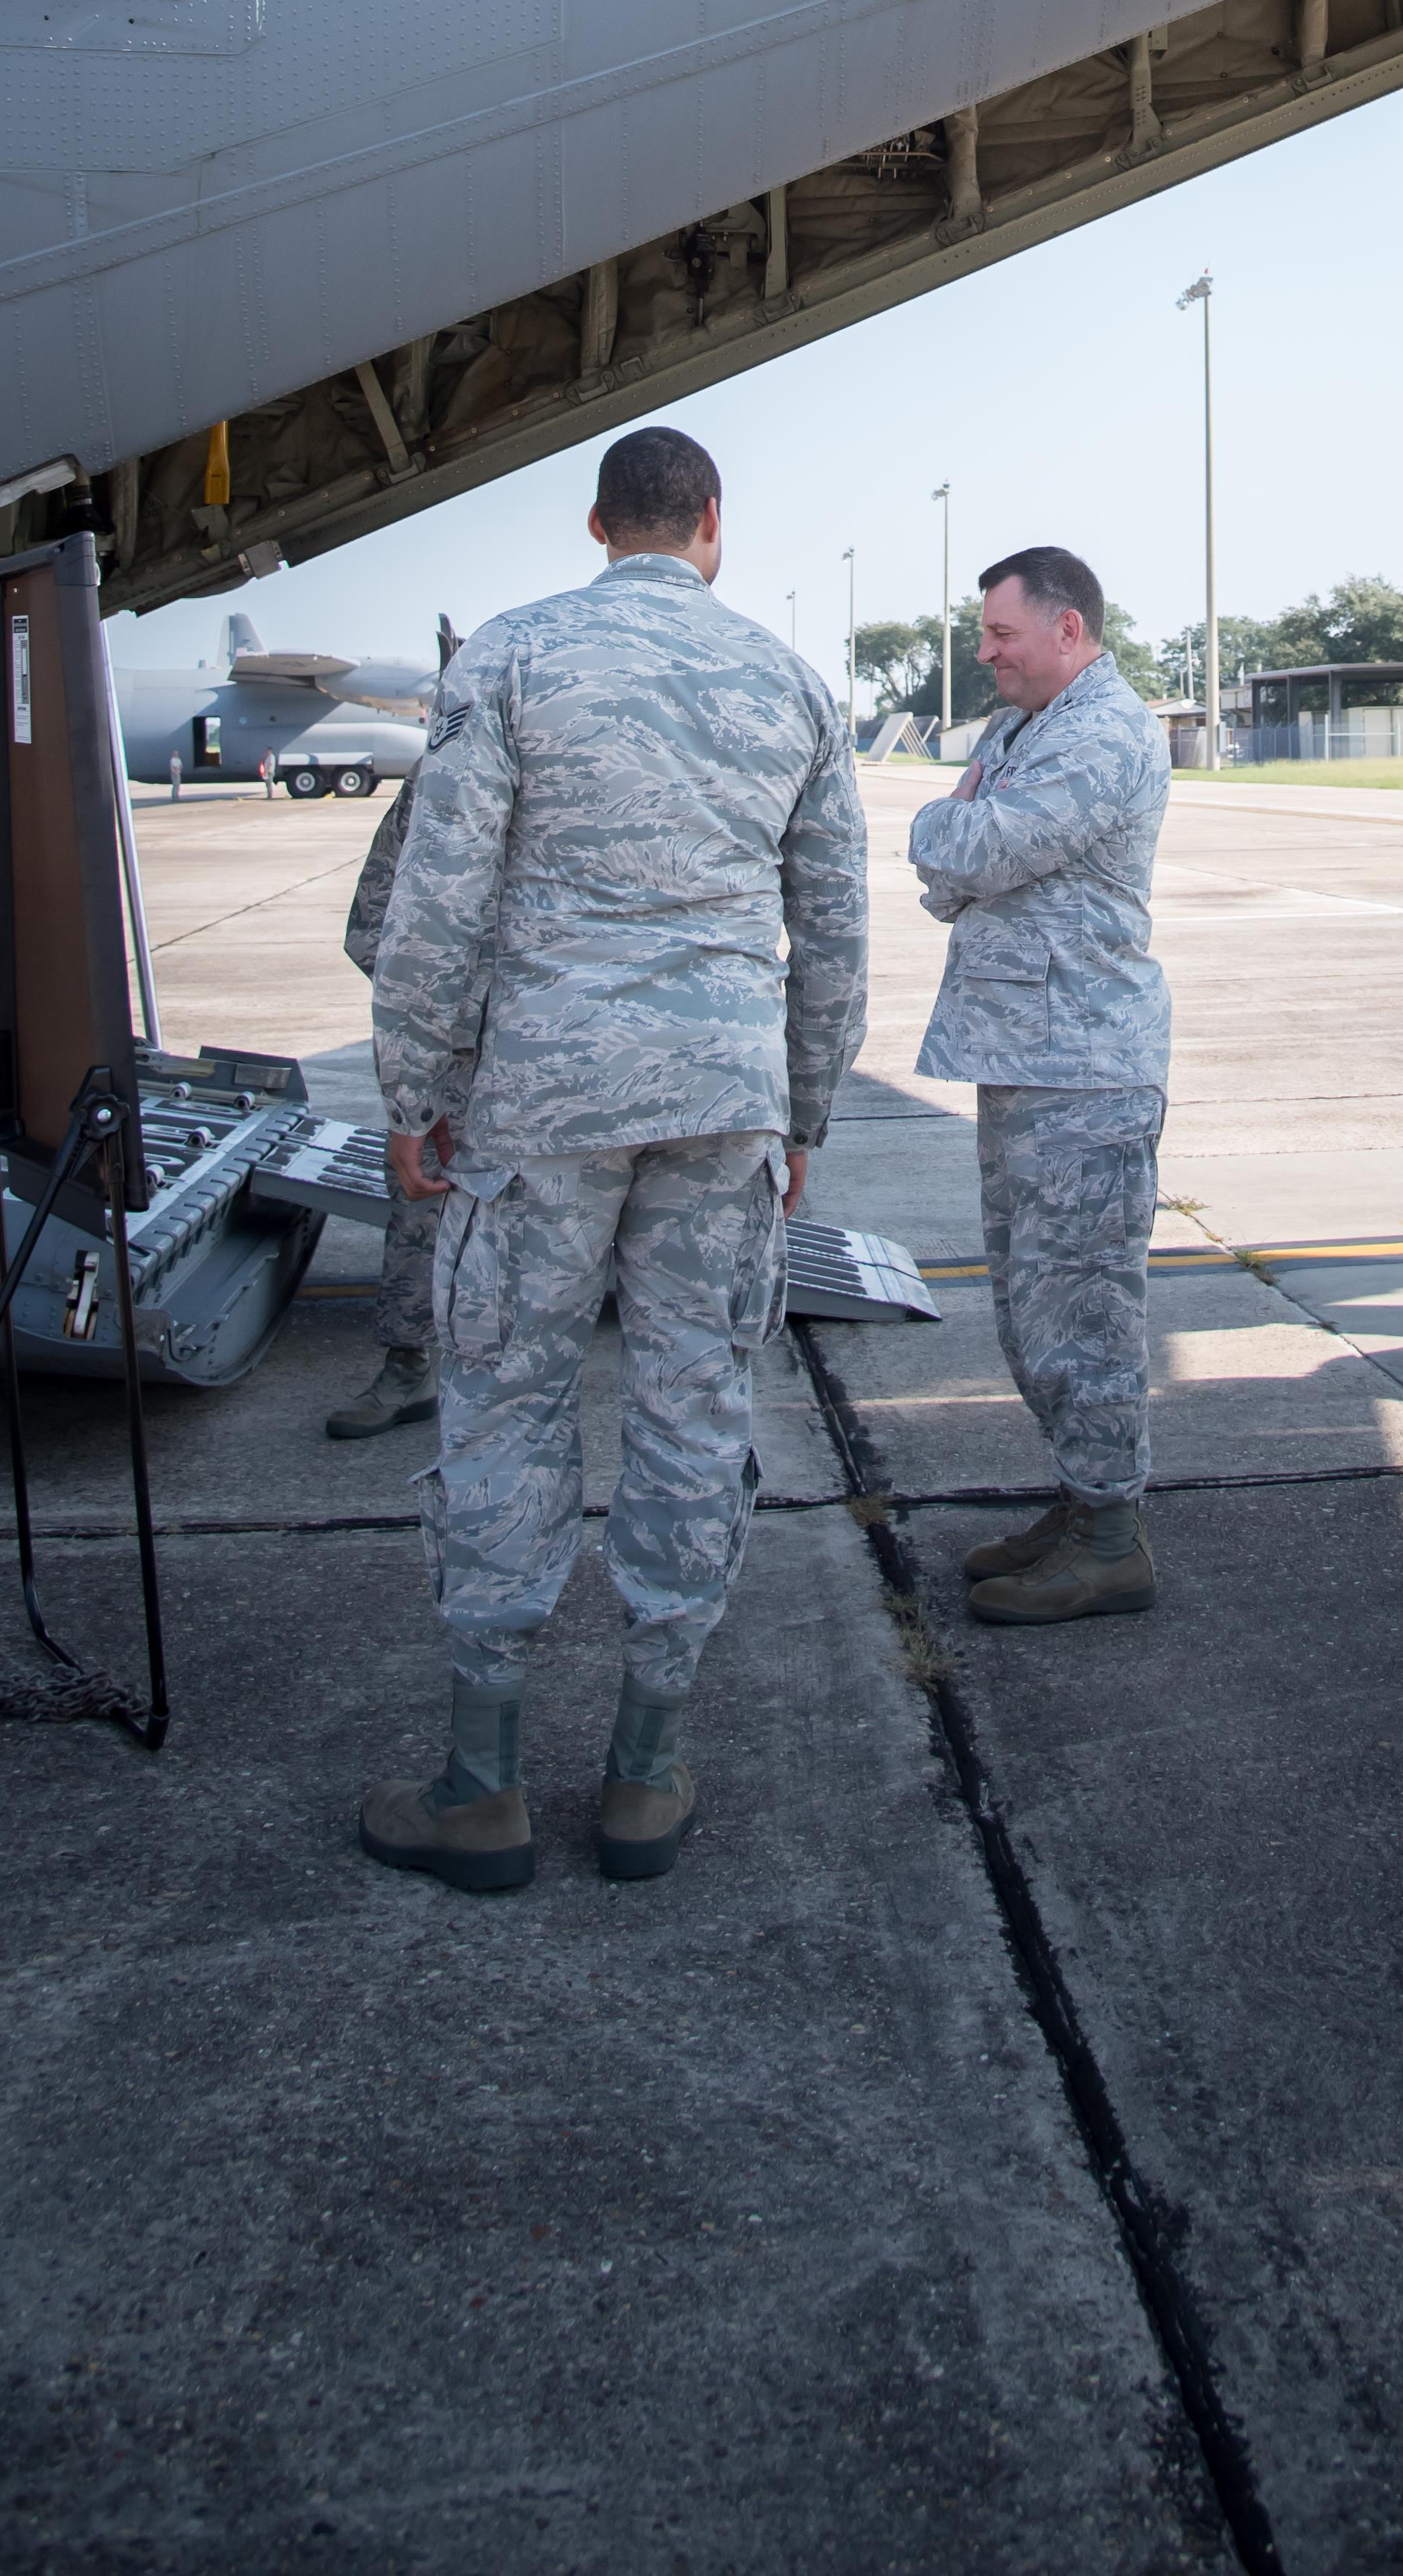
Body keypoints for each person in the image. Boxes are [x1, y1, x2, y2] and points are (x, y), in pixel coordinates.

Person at [357, 426, 867, 1893]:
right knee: (692, 1399)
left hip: (543, 1104)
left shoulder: (510, 659)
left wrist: (417, 1085)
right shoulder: (791, 685)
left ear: (598, 522)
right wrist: (807, 1111)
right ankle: (644, 1771)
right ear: (714, 521)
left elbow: (438, 900)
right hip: (722, 1102)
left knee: (504, 1401)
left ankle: (484, 1780)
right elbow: (831, 925)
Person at [909, 549, 1172, 1628]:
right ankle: (1079, 1503)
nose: (985, 654)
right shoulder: (1023, 730)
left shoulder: (1105, 732)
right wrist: (953, 841)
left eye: (1000, 635)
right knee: (1032, 1307)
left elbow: (985, 844)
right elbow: (950, 883)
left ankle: (1110, 1540)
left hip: (1086, 1070)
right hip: (1030, 1056)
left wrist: (938, 824)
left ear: (1068, 631)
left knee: (1086, 1310)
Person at [324, 771, 443, 1437]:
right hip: (457, 1036)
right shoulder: (447, 772)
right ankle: (410, 1363)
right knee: (421, 1197)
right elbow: (373, 922)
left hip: (568, 1050)